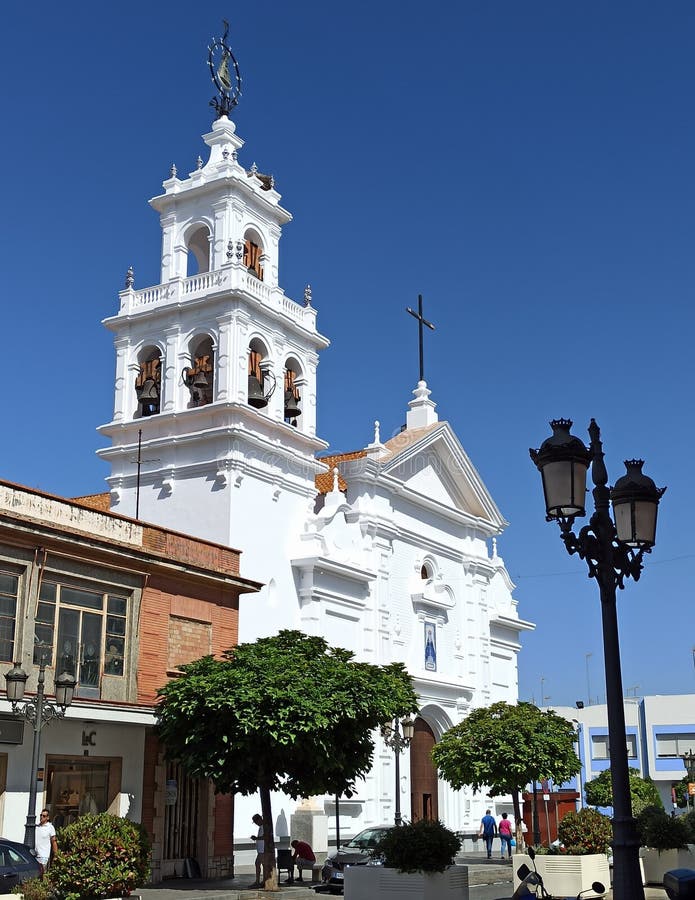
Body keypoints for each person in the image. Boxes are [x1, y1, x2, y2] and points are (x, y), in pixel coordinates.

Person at [35, 808, 58, 877]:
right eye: (41, 815)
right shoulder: (37, 827)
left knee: (42, 875)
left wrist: (56, 855)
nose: (41, 817)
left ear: (47, 818)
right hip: (35, 855)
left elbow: (54, 841)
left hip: (44, 856)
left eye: (44, 816)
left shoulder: (50, 827)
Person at [250, 813, 265, 887]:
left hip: (262, 850)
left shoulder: (264, 827)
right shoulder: (261, 827)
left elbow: (265, 837)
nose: (256, 824)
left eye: (256, 822)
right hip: (260, 850)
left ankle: (259, 881)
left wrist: (256, 838)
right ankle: (260, 880)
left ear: (259, 820)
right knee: (259, 864)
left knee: (259, 864)